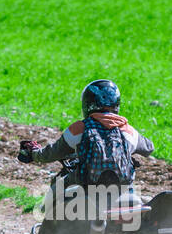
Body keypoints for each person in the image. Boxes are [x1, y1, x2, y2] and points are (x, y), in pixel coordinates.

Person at [16, 79, 154, 186]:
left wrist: (34, 153)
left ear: (87, 104)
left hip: (87, 184)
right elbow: (149, 148)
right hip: (122, 185)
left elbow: (52, 153)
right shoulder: (127, 130)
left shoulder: (80, 128)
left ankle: (48, 220)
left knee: (57, 185)